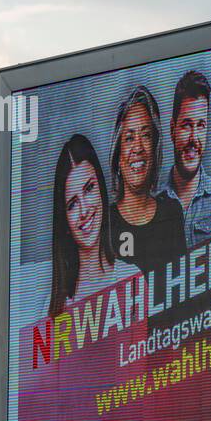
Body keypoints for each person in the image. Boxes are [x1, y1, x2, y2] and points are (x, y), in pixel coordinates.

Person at [48, 133, 139, 318]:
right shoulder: (56, 308)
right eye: (72, 204)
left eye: (89, 189)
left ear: (101, 190)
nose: (84, 210)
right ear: (64, 219)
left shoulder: (132, 281)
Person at [108, 86, 186, 289]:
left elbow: (183, 297)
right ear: (117, 153)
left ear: (156, 147)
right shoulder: (103, 223)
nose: (138, 148)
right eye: (129, 137)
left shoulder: (171, 212)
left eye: (146, 135)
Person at [159, 70, 211, 248]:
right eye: (186, 125)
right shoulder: (151, 202)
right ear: (172, 130)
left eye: (201, 125)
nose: (194, 138)